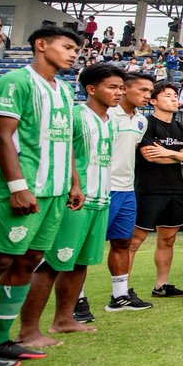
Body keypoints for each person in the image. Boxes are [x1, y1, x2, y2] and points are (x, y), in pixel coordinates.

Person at [0, 25, 81, 366]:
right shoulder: (16, 81)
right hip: (22, 190)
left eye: (76, 49)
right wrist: (17, 186)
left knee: (28, 262)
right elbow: (1, 136)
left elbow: (65, 141)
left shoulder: (63, 89)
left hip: (55, 193)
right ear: (41, 45)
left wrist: (73, 183)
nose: (74, 54)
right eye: (67, 46)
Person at [16, 63, 124, 344]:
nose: (119, 93)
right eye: (112, 87)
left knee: (79, 263)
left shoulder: (111, 121)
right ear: (91, 89)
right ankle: (28, 330)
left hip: (101, 199)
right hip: (75, 200)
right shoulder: (75, 114)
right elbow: (65, 152)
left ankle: (64, 319)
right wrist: (75, 185)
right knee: (53, 263)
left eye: (121, 88)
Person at [130, 81, 183, 298]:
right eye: (167, 95)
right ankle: (122, 289)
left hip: (175, 189)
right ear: (153, 100)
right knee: (134, 241)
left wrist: (168, 153)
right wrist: (179, 155)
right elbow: (150, 156)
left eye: (175, 96)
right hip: (148, 189)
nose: (174, 99)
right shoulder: (145, 124)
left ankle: (161, 285)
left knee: (168, 240)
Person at [103, 72, 155, 312]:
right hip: (100, 189)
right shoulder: (105, 115)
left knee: (123, 242)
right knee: (84, 245)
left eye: (150, 92)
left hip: (126, 190)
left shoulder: (141, 121)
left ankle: (120, 295)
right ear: (124, 89)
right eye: (143, 90)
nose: (148, 96)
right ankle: (77, 299)